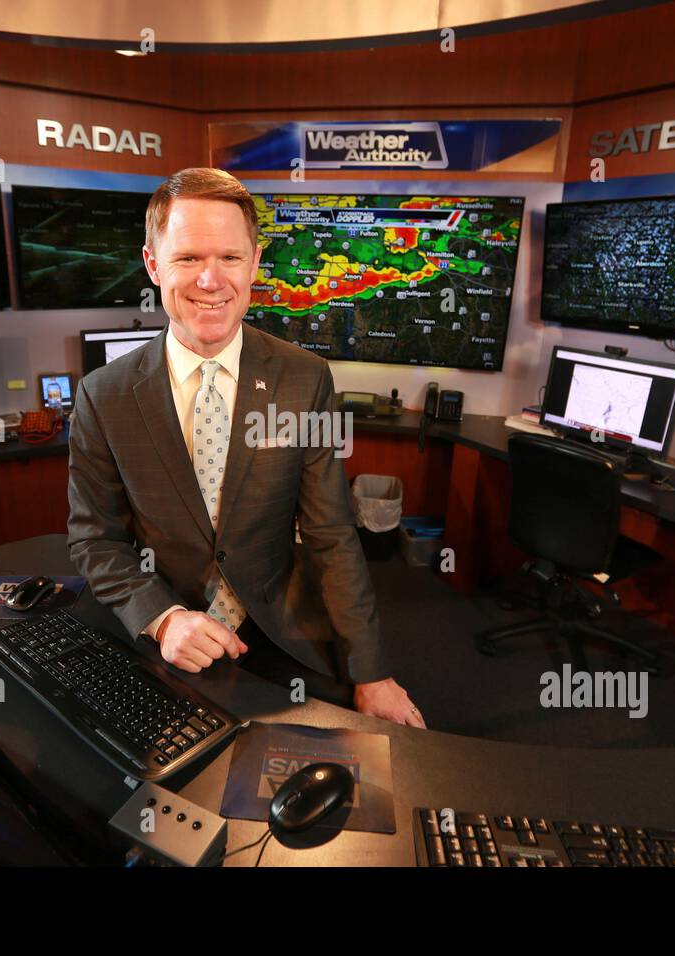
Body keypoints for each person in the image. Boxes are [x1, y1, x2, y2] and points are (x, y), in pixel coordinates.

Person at [66, 168, 425, 727]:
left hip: (281, 628)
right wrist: (161, 618)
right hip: (165, 630)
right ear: (153, 263)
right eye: (187, 258)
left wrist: (371, 673)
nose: (211, 280)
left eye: (230, 258)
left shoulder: (305, 378)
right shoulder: (102, 396)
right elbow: (95, 539)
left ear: (254, 263)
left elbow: (332, 533)